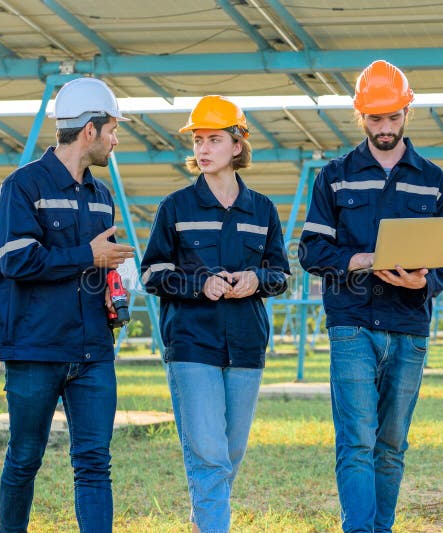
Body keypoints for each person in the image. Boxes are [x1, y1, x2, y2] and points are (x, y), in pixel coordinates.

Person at [299, 60, 443, 533]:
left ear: (407, 112)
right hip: (352, 323)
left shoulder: (435, 182)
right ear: (360, 116)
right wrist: (364, 259)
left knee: (391, 445)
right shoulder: (335, 177)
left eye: (392, 117)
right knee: (355, 443)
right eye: (375, 118)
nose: (384, 127)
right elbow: (311, 249)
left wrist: (423, 283)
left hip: (409, 326)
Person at [0, 76, 135, 533]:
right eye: (112, 129)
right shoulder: (22, 187)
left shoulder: (102, 197)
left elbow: (95, 265)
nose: (115, 139)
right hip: (34, 350)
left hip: (92, 351)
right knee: (25, 457)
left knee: (94, 462)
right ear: (89, 131)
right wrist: (87, 256)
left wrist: (114, 281)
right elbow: (16, 260)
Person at [140, 95, 290, 533]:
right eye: (198, 140)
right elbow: (152, 273)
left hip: (245, 346)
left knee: (229, 454)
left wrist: (256, 280)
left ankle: (204, 521)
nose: (203, 149)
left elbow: (281, 273)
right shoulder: (176, 208)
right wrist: (198, 283)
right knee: (209, 454)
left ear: (238, 145)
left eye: (214, 139)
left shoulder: (262, 211)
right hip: (192, 345)